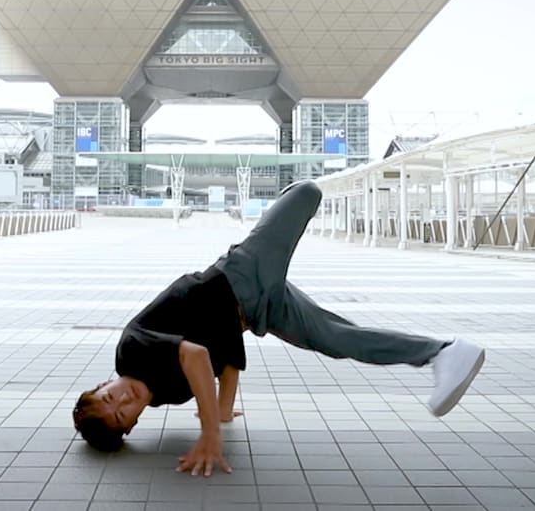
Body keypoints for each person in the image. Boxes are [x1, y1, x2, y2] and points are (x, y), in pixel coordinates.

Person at [72, 180, 485, 476]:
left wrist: (211, 432)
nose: (122, 399)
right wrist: (219, 407)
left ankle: (291, 187)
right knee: (339, 340)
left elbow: (195, 355)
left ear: (104, 383)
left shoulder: (131, 352)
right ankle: (442, 350)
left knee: (307, 193)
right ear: (132, 425)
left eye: (109, 396)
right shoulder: (165, 395)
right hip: (260, 312)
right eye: (120, 412)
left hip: (241, 276)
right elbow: (223, 358)